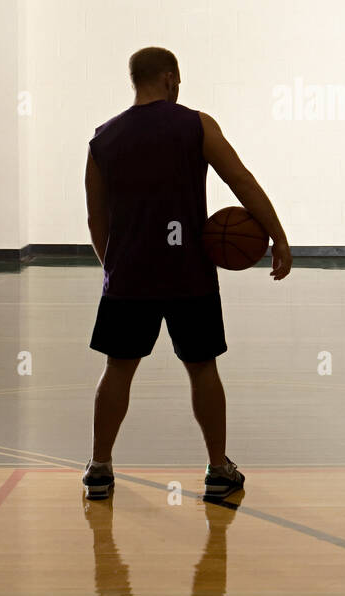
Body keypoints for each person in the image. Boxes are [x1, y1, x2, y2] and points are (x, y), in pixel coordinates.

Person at [82, 47, 291, 502]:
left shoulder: (103, 140)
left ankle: (99, 469)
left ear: (134, 80)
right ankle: (218, 470)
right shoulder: (196, 124)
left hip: (129, 276)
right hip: (188, 275)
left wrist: (112, 265)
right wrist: (277, 236)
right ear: (171, 78)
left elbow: (96, 219)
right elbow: (243, 181)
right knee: (202, 369)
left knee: (117, 369)